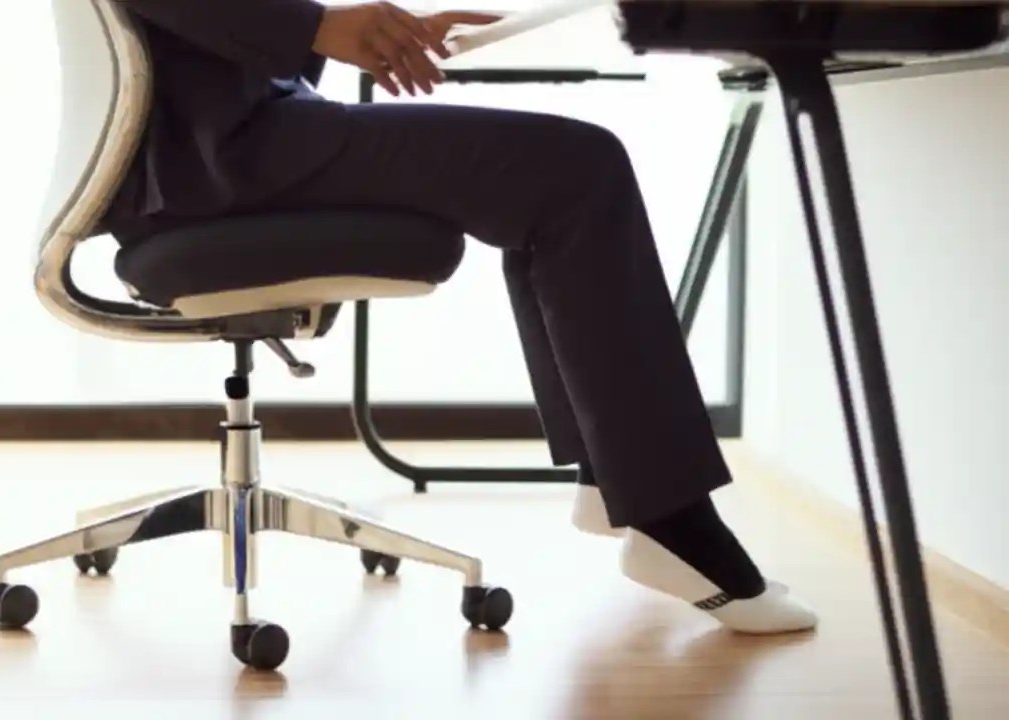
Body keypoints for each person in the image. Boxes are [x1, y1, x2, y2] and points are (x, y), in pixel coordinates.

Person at [104, 0, 816, 634]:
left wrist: (363, 32)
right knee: (578, 171)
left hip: (233, 141)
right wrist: (320, 27)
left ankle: (625, 484)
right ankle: (669, 519)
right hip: (226, 156)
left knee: (555, 180)